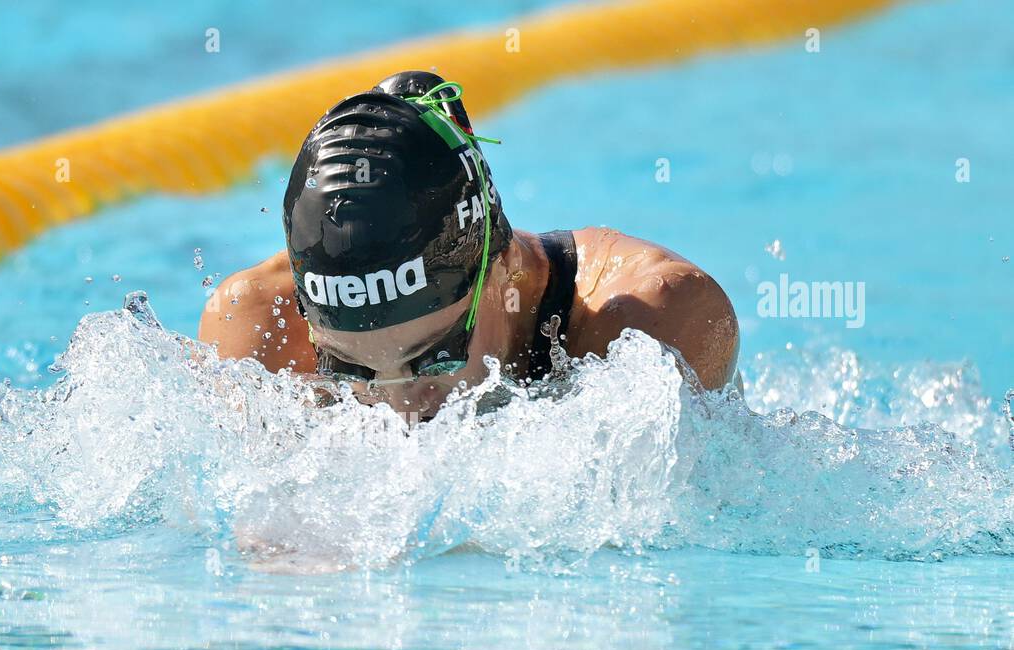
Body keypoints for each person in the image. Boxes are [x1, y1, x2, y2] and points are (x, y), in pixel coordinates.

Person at [199, 71, 739, 420]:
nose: (402, 410)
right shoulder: (257, 328)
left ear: (498, 265)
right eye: (351, 370)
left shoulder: (651, 325)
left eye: (433, 359)